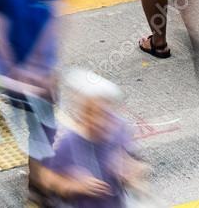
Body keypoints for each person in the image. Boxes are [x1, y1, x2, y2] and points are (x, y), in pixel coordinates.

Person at [0, 0, 68, 203]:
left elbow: (56, 16)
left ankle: (37, 177)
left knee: (45, 123)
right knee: (40, 123)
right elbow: (1, 23)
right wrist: (14, 66)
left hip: (43, 63)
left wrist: (41, 64)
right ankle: (38, 187)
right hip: (16, 65)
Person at [40, 71, 147, 207]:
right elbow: (46, 177)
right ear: (81, 114)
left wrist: (132, 173)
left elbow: (138, 163)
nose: (100, 121)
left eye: (105, 113)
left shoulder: (119, 128)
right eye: (91, 113)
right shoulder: (68, 143)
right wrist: (73, 185)